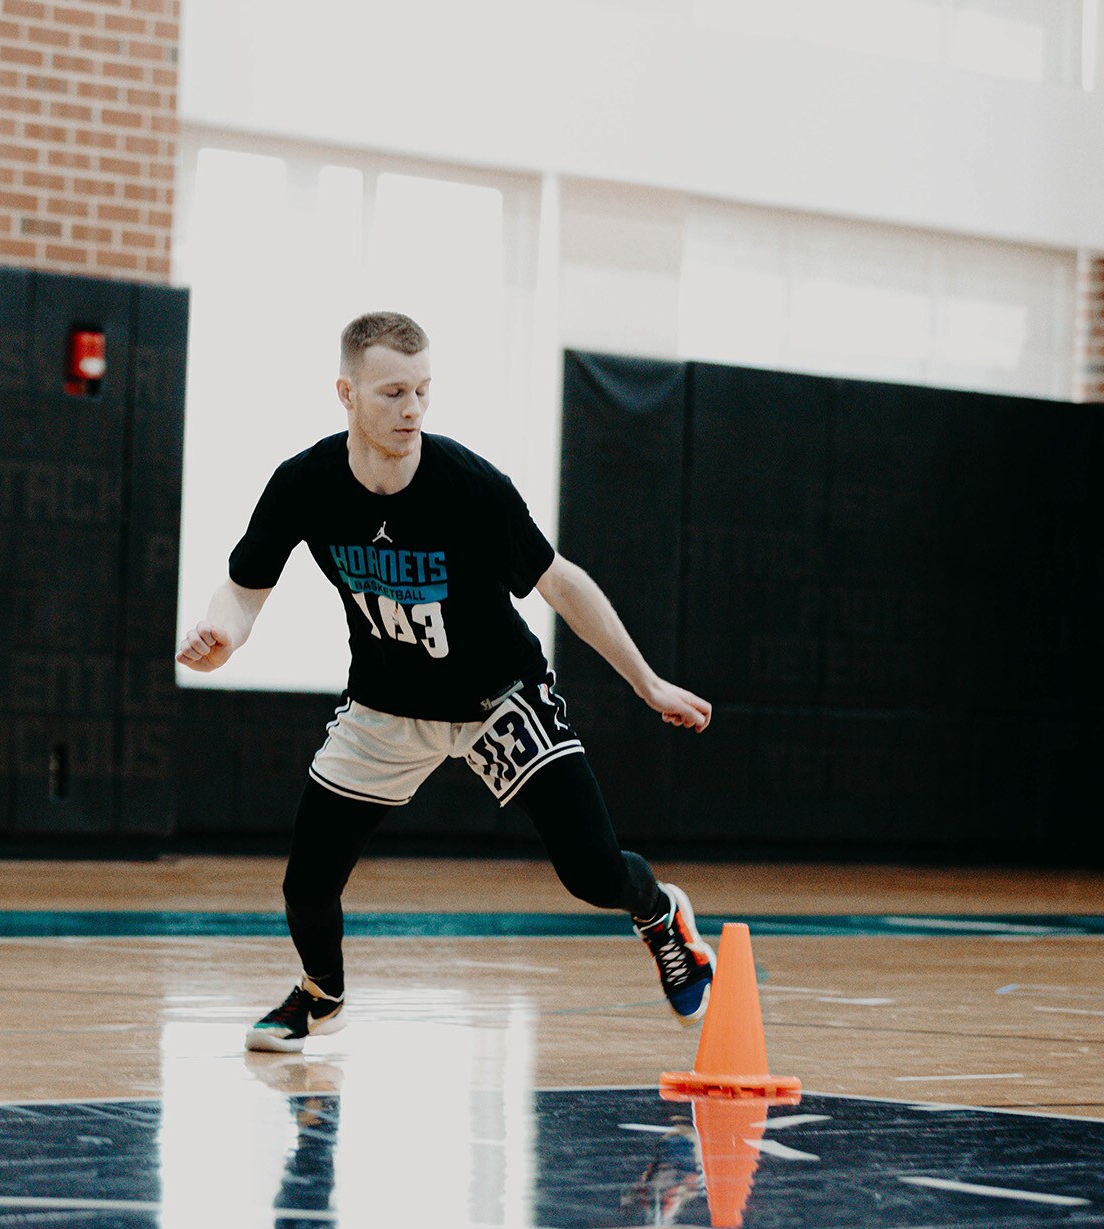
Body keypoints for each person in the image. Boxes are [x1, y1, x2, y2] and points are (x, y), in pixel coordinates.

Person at [176, 311, 717, 1054]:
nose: (413, 410)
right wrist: (221, 638)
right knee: (306, 885)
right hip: (386, 706)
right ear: (347, 393)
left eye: (423, 390)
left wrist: (647, 682)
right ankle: (322, 993)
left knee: (593, 873)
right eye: (393, 392)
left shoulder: (469, 485)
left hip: (499, 700)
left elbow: (560, 583)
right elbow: (242, 592)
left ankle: (660, 915)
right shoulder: (303, 483)